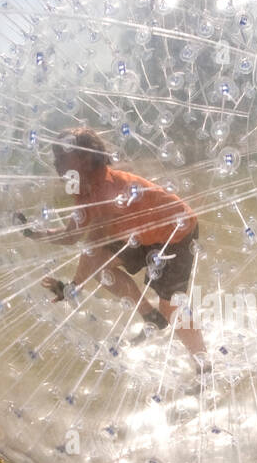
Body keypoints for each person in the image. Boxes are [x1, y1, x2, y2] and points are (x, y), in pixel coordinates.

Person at [19, 128, 207, 363]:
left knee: (171, 307)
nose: (57, 163)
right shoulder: (83, 187)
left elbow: (93, 244)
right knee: (100, 268)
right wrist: (35, 234)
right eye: (56, 156)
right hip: (139, 233)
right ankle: (150, 316)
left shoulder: (107, 193)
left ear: (86, 158)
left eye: (63, 156)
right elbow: (71, 235)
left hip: (176, 232)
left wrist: (73, 286)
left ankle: (204, 367)